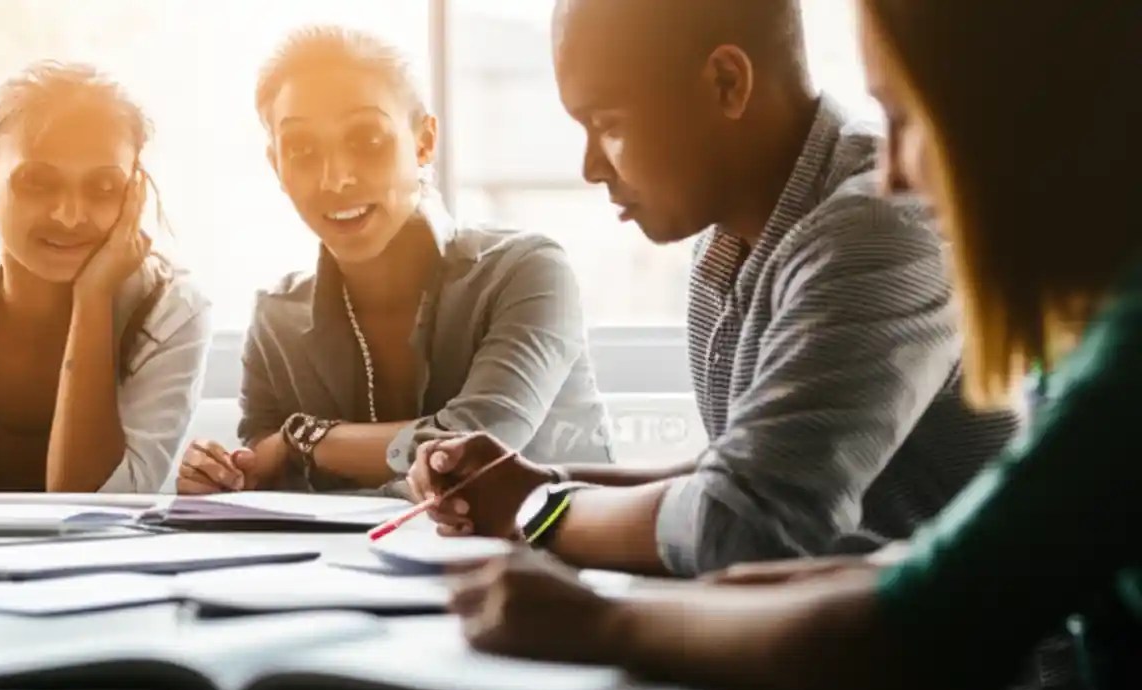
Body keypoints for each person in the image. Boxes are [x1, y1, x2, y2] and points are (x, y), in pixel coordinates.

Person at [446, 0, 1140, 690]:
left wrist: (581, 585)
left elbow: (903, 610)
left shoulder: (885, 228)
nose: (895, 172)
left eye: (908, 117)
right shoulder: (723, 250)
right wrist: (548, 485)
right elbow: (755, 490)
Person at [411, 0, 1015, 571]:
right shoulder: (724, 244)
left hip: (966, 677)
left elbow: (746, 528)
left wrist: (532, 512)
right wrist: (531, 482)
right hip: (817, 650)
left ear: (727, 82)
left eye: (609, 124)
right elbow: (731, 478)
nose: (591, 166)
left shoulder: (880, 223)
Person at [176, 26, 612, 496]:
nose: (336, 179)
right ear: (276, 166)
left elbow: (471, 452)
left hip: (548, 560)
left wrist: (303, 437)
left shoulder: (526, 271)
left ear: (424, 142)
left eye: (367, 140)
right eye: (302, 150)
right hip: (358, 568)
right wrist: (219, 476)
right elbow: (264, 476)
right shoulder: (276, 318)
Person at [0, 62, 211, 501]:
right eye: (37, 183)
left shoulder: (172, 313)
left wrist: (94, 297)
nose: (70, 215)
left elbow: (86, 502)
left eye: (103, 187)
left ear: (133, 194)